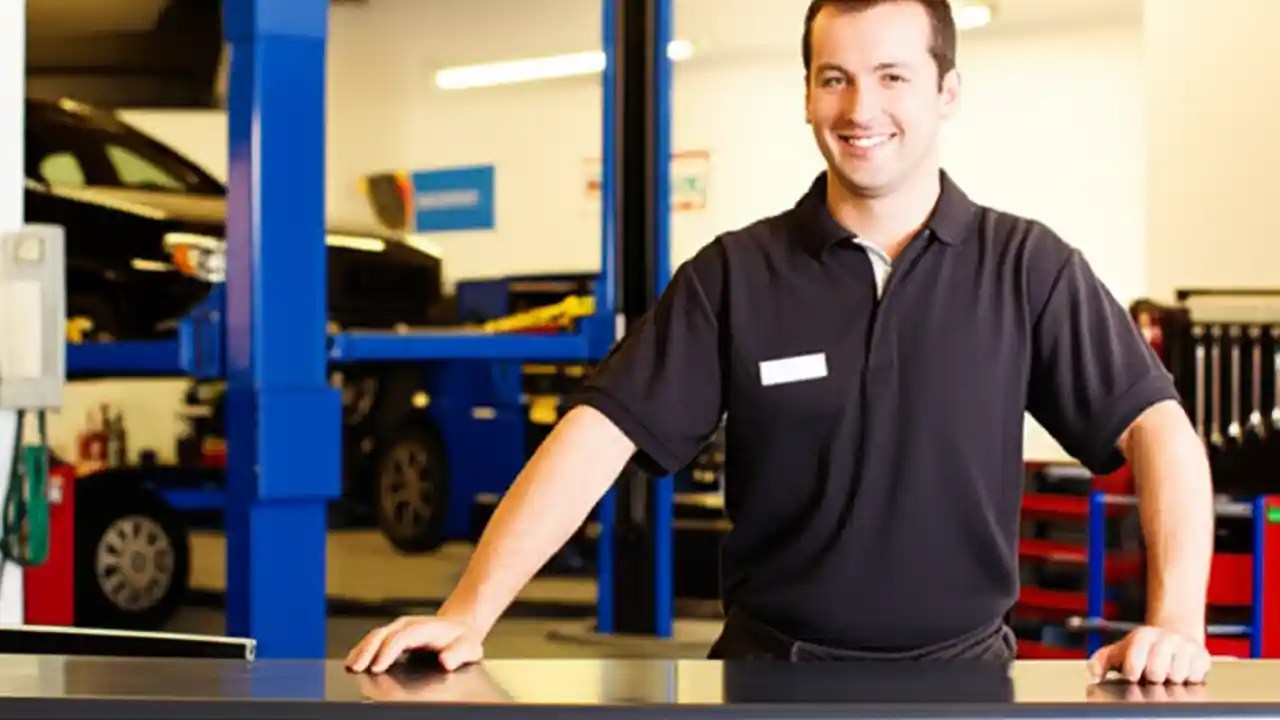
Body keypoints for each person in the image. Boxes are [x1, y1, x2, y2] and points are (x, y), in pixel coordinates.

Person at [347, 0, 1214, 684]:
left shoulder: (1027, 268)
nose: (861, 108)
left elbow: (1159, 427)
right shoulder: (737, 274)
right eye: (835, 78)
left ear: (946, 92)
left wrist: (1176, 622)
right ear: (806, 95)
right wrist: (467, 611)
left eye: (892, 76)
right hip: (770, 679)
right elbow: (595, 436)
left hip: (963, 683)